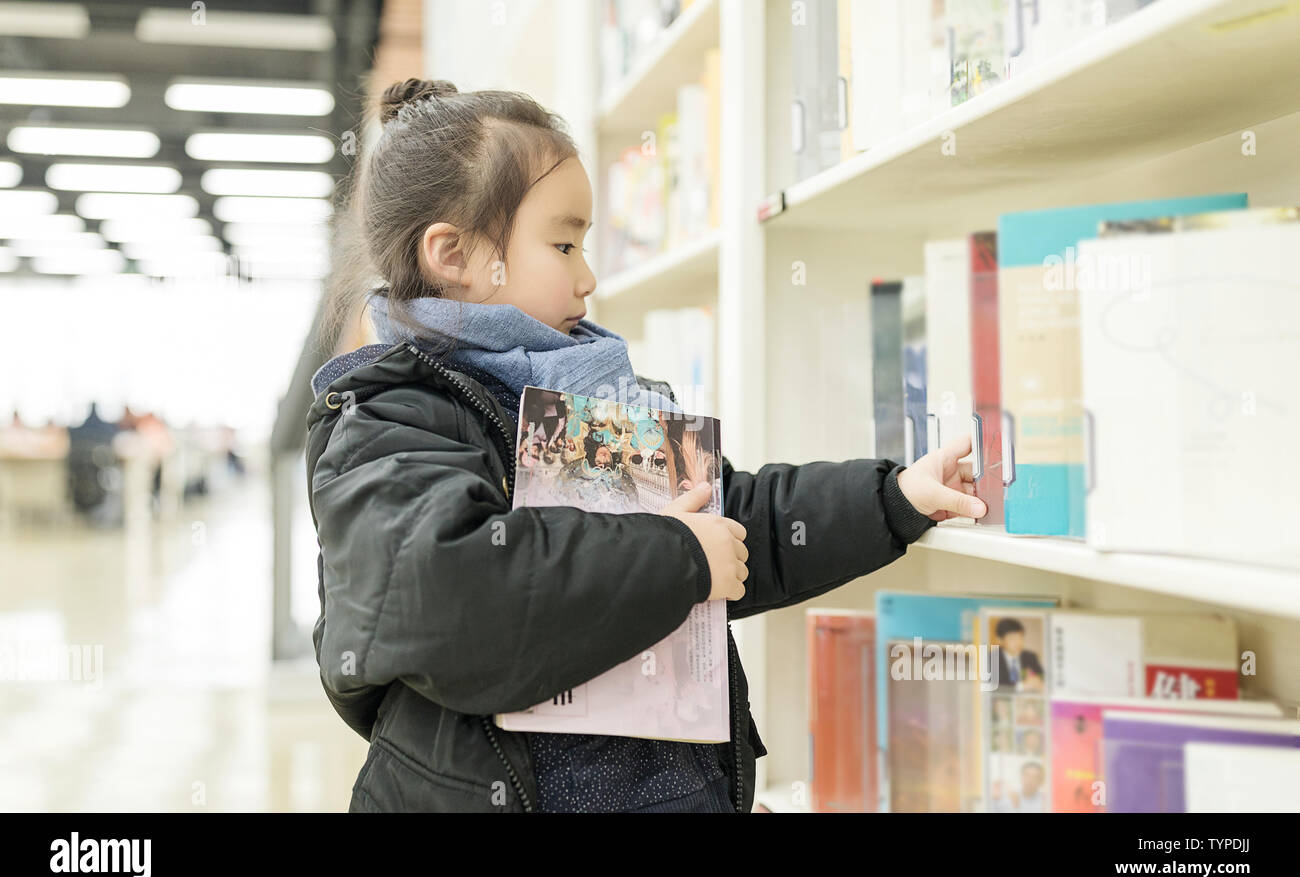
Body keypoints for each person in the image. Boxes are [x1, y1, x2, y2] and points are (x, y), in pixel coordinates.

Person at [306, 78, 987, 813]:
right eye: (563, 243)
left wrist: (892, 497)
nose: (588, 276)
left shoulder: (596, 402)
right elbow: (453, 592)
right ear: (454, 254)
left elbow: (735, 525)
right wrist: (681, 558)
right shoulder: (385, 423)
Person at [992, 617, 1045, 692]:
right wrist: (1022, 686)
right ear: (1000, 640)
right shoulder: (992, 659)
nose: (1018, 642)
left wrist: (1038, 681)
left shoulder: (1031, 657)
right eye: (1012, 638)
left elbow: (1043, 678)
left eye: (1020, 638)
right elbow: (994, 689)